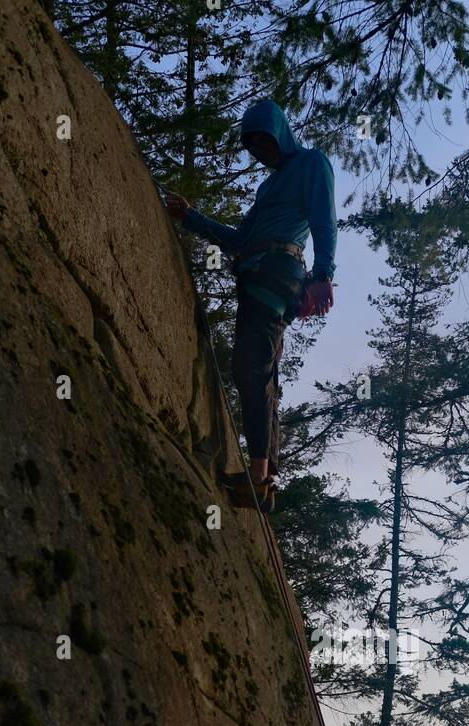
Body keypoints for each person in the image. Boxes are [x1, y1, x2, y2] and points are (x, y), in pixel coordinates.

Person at [165, 99, 337, 513]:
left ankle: (259, 480)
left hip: (277, 273)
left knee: (251, 366)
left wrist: (323, 275)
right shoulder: (267, 189)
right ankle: (265, 477)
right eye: (254, 148)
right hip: (258, 273)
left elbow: (324, 220)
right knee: (260, 371)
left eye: (266, 142)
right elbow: (239, 238)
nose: (262, 152)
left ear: (281, 131)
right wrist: (189, 217)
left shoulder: (312, 163)